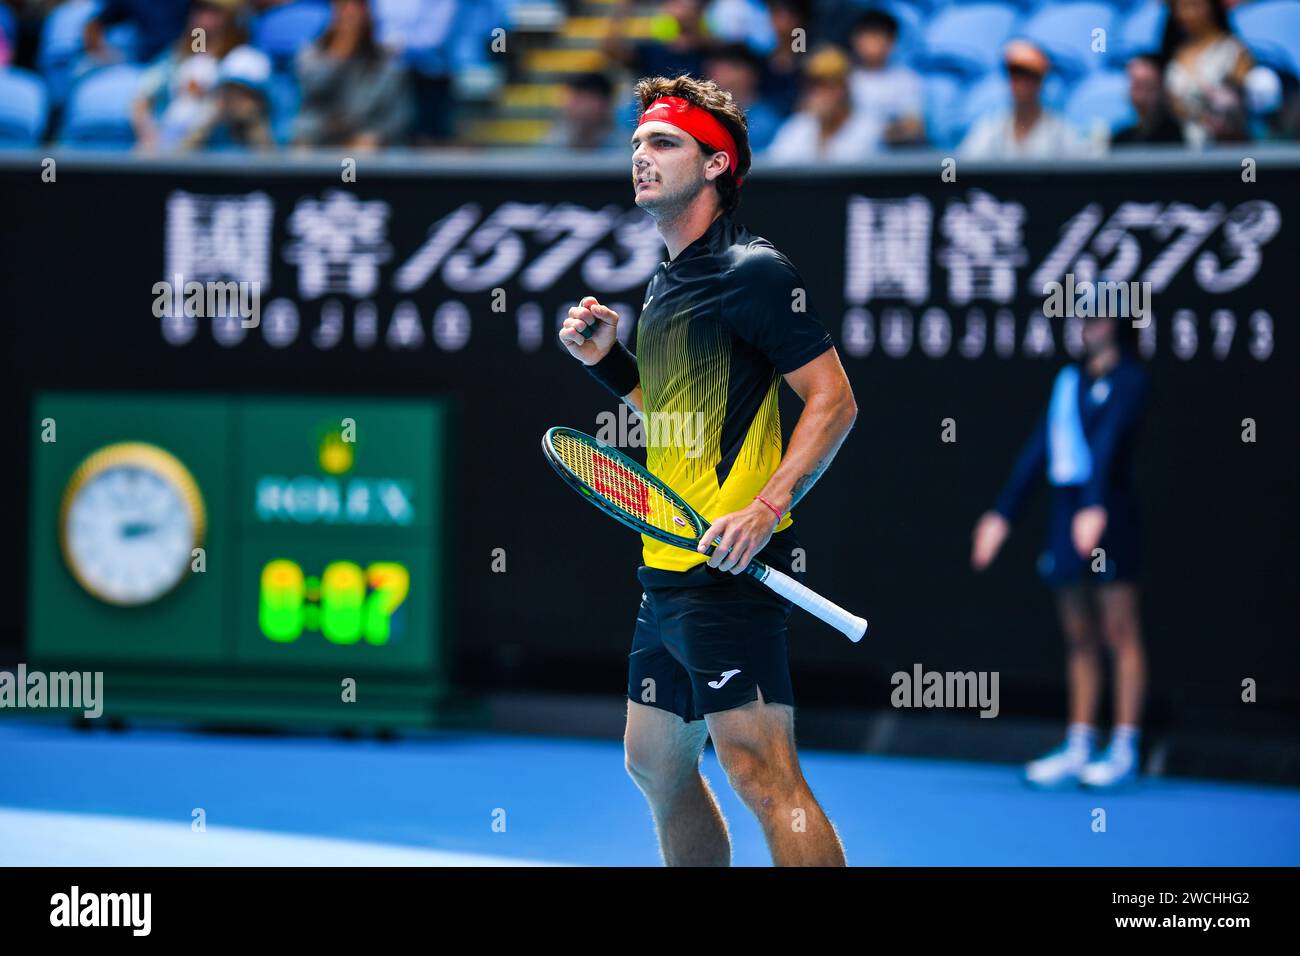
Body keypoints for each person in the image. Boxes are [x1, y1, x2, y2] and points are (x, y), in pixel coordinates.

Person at [557, 75, 858, 866]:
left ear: (717, 164)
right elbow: (679, 413)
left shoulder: (754, 272)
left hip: (730, 572)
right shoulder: (666, 283)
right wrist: (608, 363)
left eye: (663, 143)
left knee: (762, 774)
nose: (641, 158)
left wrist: (765, 509)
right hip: (668, 567)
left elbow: (833, 400)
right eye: (636, 145)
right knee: (655, 760)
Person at [971, 316, 1151, 790]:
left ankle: (1126, 747)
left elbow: (1110, 444)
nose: (1085, 325)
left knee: (1119, 630)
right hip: (1066, 508)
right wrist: (1002, 514)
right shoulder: (1068, 382)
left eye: (1096, 317)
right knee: (1077, 632)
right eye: (1082, 317)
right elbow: (1038, 451)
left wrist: (1094, 505)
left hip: (1108, 509)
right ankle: (1079, 744)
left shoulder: (1130, 379)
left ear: (1117, 324)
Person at [131, 0, 261, 152]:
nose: (203, 19)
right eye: (199, 10)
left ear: (232, 19)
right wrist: (148, 135)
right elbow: (142, 98)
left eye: (213, 11)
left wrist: (184, 148)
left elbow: (230, 106)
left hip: (217, 152)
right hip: (168, 144)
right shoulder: (179, 58)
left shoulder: (245, 59)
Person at [293, 0, 413, 149]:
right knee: (301, 146)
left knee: (360, 154)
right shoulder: (312, 55)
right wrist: (340, 52)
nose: (349, 13)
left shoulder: (386, 63)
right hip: (322, 140)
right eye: (343, 7)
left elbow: (398, 118)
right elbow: (309, 99)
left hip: (369, 145)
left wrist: (374, 137)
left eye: (356, 6)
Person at [959, 39, 1084, 160]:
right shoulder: (989, 129)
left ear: (1041, 81)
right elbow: (967, 172)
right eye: (1015, 74)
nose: (1021, 82)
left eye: (1029, 75)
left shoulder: (1061, 134)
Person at [766, 45, 884, 162]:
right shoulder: (797, 126)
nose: (820, 93)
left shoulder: (869, 128)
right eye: (814, 85)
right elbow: (775, 169)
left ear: (845, 88)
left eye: (828, 85)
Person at [1160, 0, 1253, 146]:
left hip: (1227, 150)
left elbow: (1243, 107)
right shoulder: (1176, 54)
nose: (1184, 14)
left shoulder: (1234, 51)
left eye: (1192, 5)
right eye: (1179, 7)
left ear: (1212, 7)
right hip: (1181, 150)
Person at [846, 8, 924, 146]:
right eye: (865, 37)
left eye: (876, 36)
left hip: (889, 156)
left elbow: (914, 126)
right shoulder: (845, 79)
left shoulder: (906, 80)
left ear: (892, 42)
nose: (870, 44)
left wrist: (874, 133)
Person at [179, 44, 275, 151]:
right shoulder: (213, 127)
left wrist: (254, 124)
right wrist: (208, 122)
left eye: (242, 93)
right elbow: (179, 158)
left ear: (258, 99)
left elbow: (272, 162)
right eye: (228, 90)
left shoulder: (277, 124)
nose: (233, 100)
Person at [703, 43, 781, 152]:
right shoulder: (703, 115)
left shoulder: (765, 121)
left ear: (750, 74)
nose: (716, 75)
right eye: (714, 68)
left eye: (728, 68)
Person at [541, 72, 626, 152]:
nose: (570, 104)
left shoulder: (625, 147)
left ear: (604, 103)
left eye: (579, 98)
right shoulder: (551, 145)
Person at [1113, 54, 1186, 145]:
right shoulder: (1120, 140)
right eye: (1136, 87)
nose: (1141, 97)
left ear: (1162, 88)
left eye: (1147, 86)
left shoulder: (1182, 137)